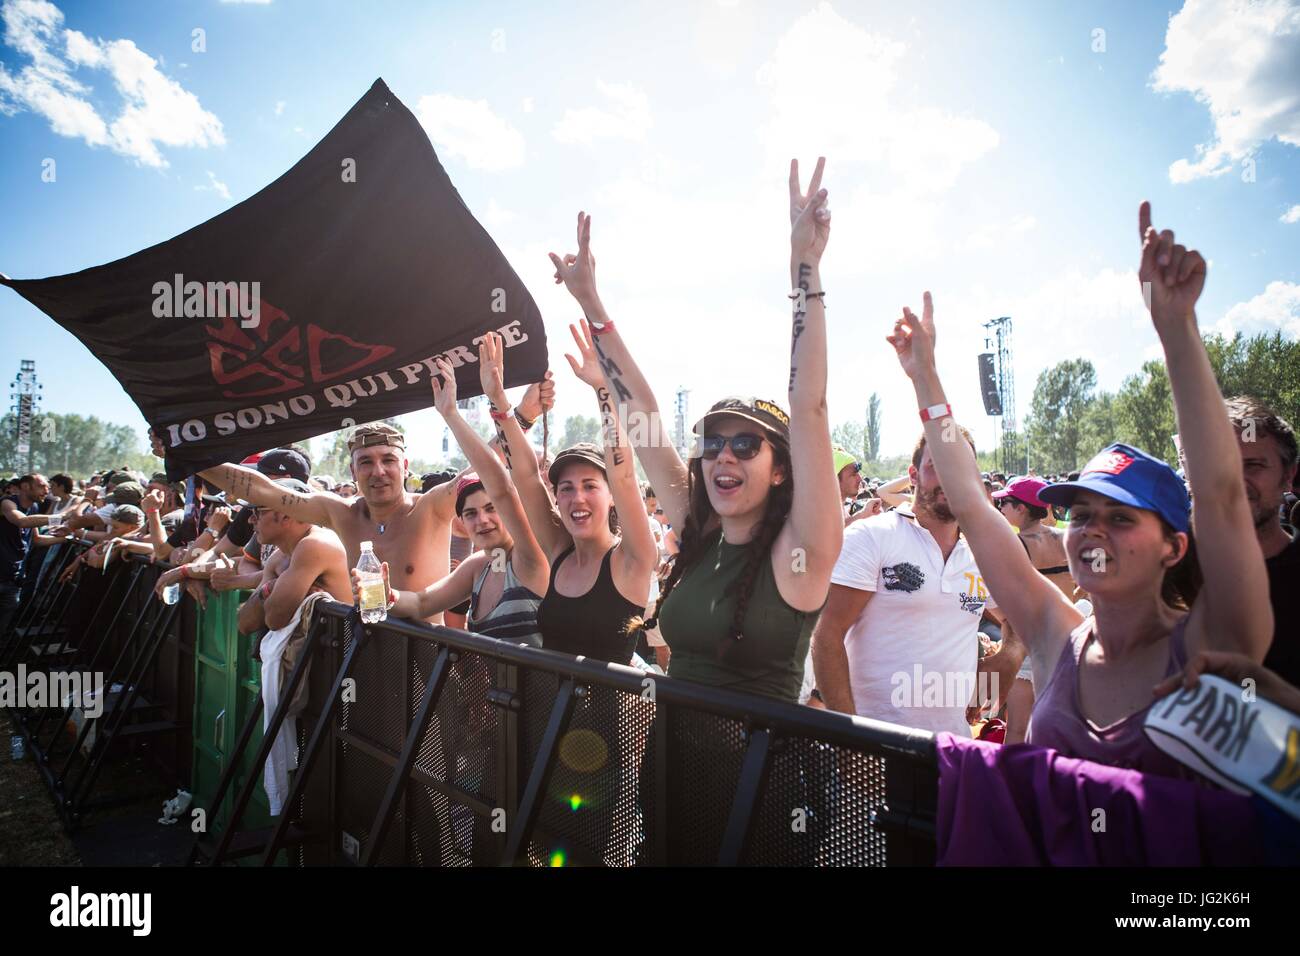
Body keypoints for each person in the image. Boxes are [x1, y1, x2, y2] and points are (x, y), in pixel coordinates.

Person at [880, 202, 1272, 780]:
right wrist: (925, 378)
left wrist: (1176, 327)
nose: (1091, 528)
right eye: (1081, 513)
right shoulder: (1053, 633)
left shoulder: (1216, 642)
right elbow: (969, 502)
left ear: (1175, 547)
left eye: (1120, 518)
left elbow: (1220, 495)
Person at [810, 429, 1016, 735]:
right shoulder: (872, 537)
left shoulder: (982, 554)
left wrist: (1006, 660)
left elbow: (1022, 627)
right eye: (937, 466)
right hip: (874, 749)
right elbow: (826, 635)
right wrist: (850, 742)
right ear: (913, 475)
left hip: (951, 749)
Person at [374, 349, 549, 646]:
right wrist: (386, 594)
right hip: (493, 694)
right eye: (470, 513)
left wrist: (454, 415)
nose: (482, 520)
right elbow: (419, 604)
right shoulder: (478, 566)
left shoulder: (530, 558)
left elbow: (503, 487)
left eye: (491, 508)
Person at [201, 424, 461, 623]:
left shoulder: (430, 508)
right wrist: (189, 460)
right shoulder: (342, 513)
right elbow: (263, 491)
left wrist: (500, 408)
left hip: (426, 664)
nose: (378, 471)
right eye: (366, 462)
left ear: (405, 466)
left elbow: (485, 471)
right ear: (353, 472)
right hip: (364, 654)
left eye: (388, 460)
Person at [993, 475, 1079, 742]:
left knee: (1017, 729)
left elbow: (999, 601)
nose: (1000, 508)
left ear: (1022, 508)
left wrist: (1006, 624)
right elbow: (1093, 576)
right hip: (1068, 643)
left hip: (1028, 644)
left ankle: (1009, 784)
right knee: (1059, 731)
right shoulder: (1068, 538)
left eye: (1005, 502)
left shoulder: (1014, 545)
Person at [1223, 397, 1300, 687]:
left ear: (1288, 475)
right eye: (1226, 465)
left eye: (1253, 465)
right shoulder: (1181, 569)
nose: (1237, 481)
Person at [1, 474, 52, 638]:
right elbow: (23, 522)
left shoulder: (34, 509)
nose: (46, 490)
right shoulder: (7, 503)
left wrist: (68, 538)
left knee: (2, 630)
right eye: (42, 486)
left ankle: (13, 664)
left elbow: (36, 540)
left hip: (12, 580)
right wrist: (62, 517)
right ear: (25, 486)